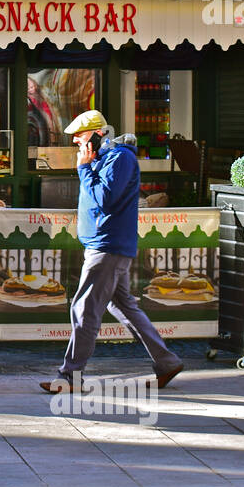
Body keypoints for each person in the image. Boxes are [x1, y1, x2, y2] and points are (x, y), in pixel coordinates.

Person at [40, 109, 184, 394]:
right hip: (105, 243)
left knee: (84, 309)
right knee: (122, 306)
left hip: (107, 246)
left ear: (96, 135)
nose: (75, 144)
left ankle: (70, 376)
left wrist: (84, 167)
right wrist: (89, 166)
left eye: (79, 137)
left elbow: (105, 199)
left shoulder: (120, 158)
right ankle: (166, 362)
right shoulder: (106, 158)